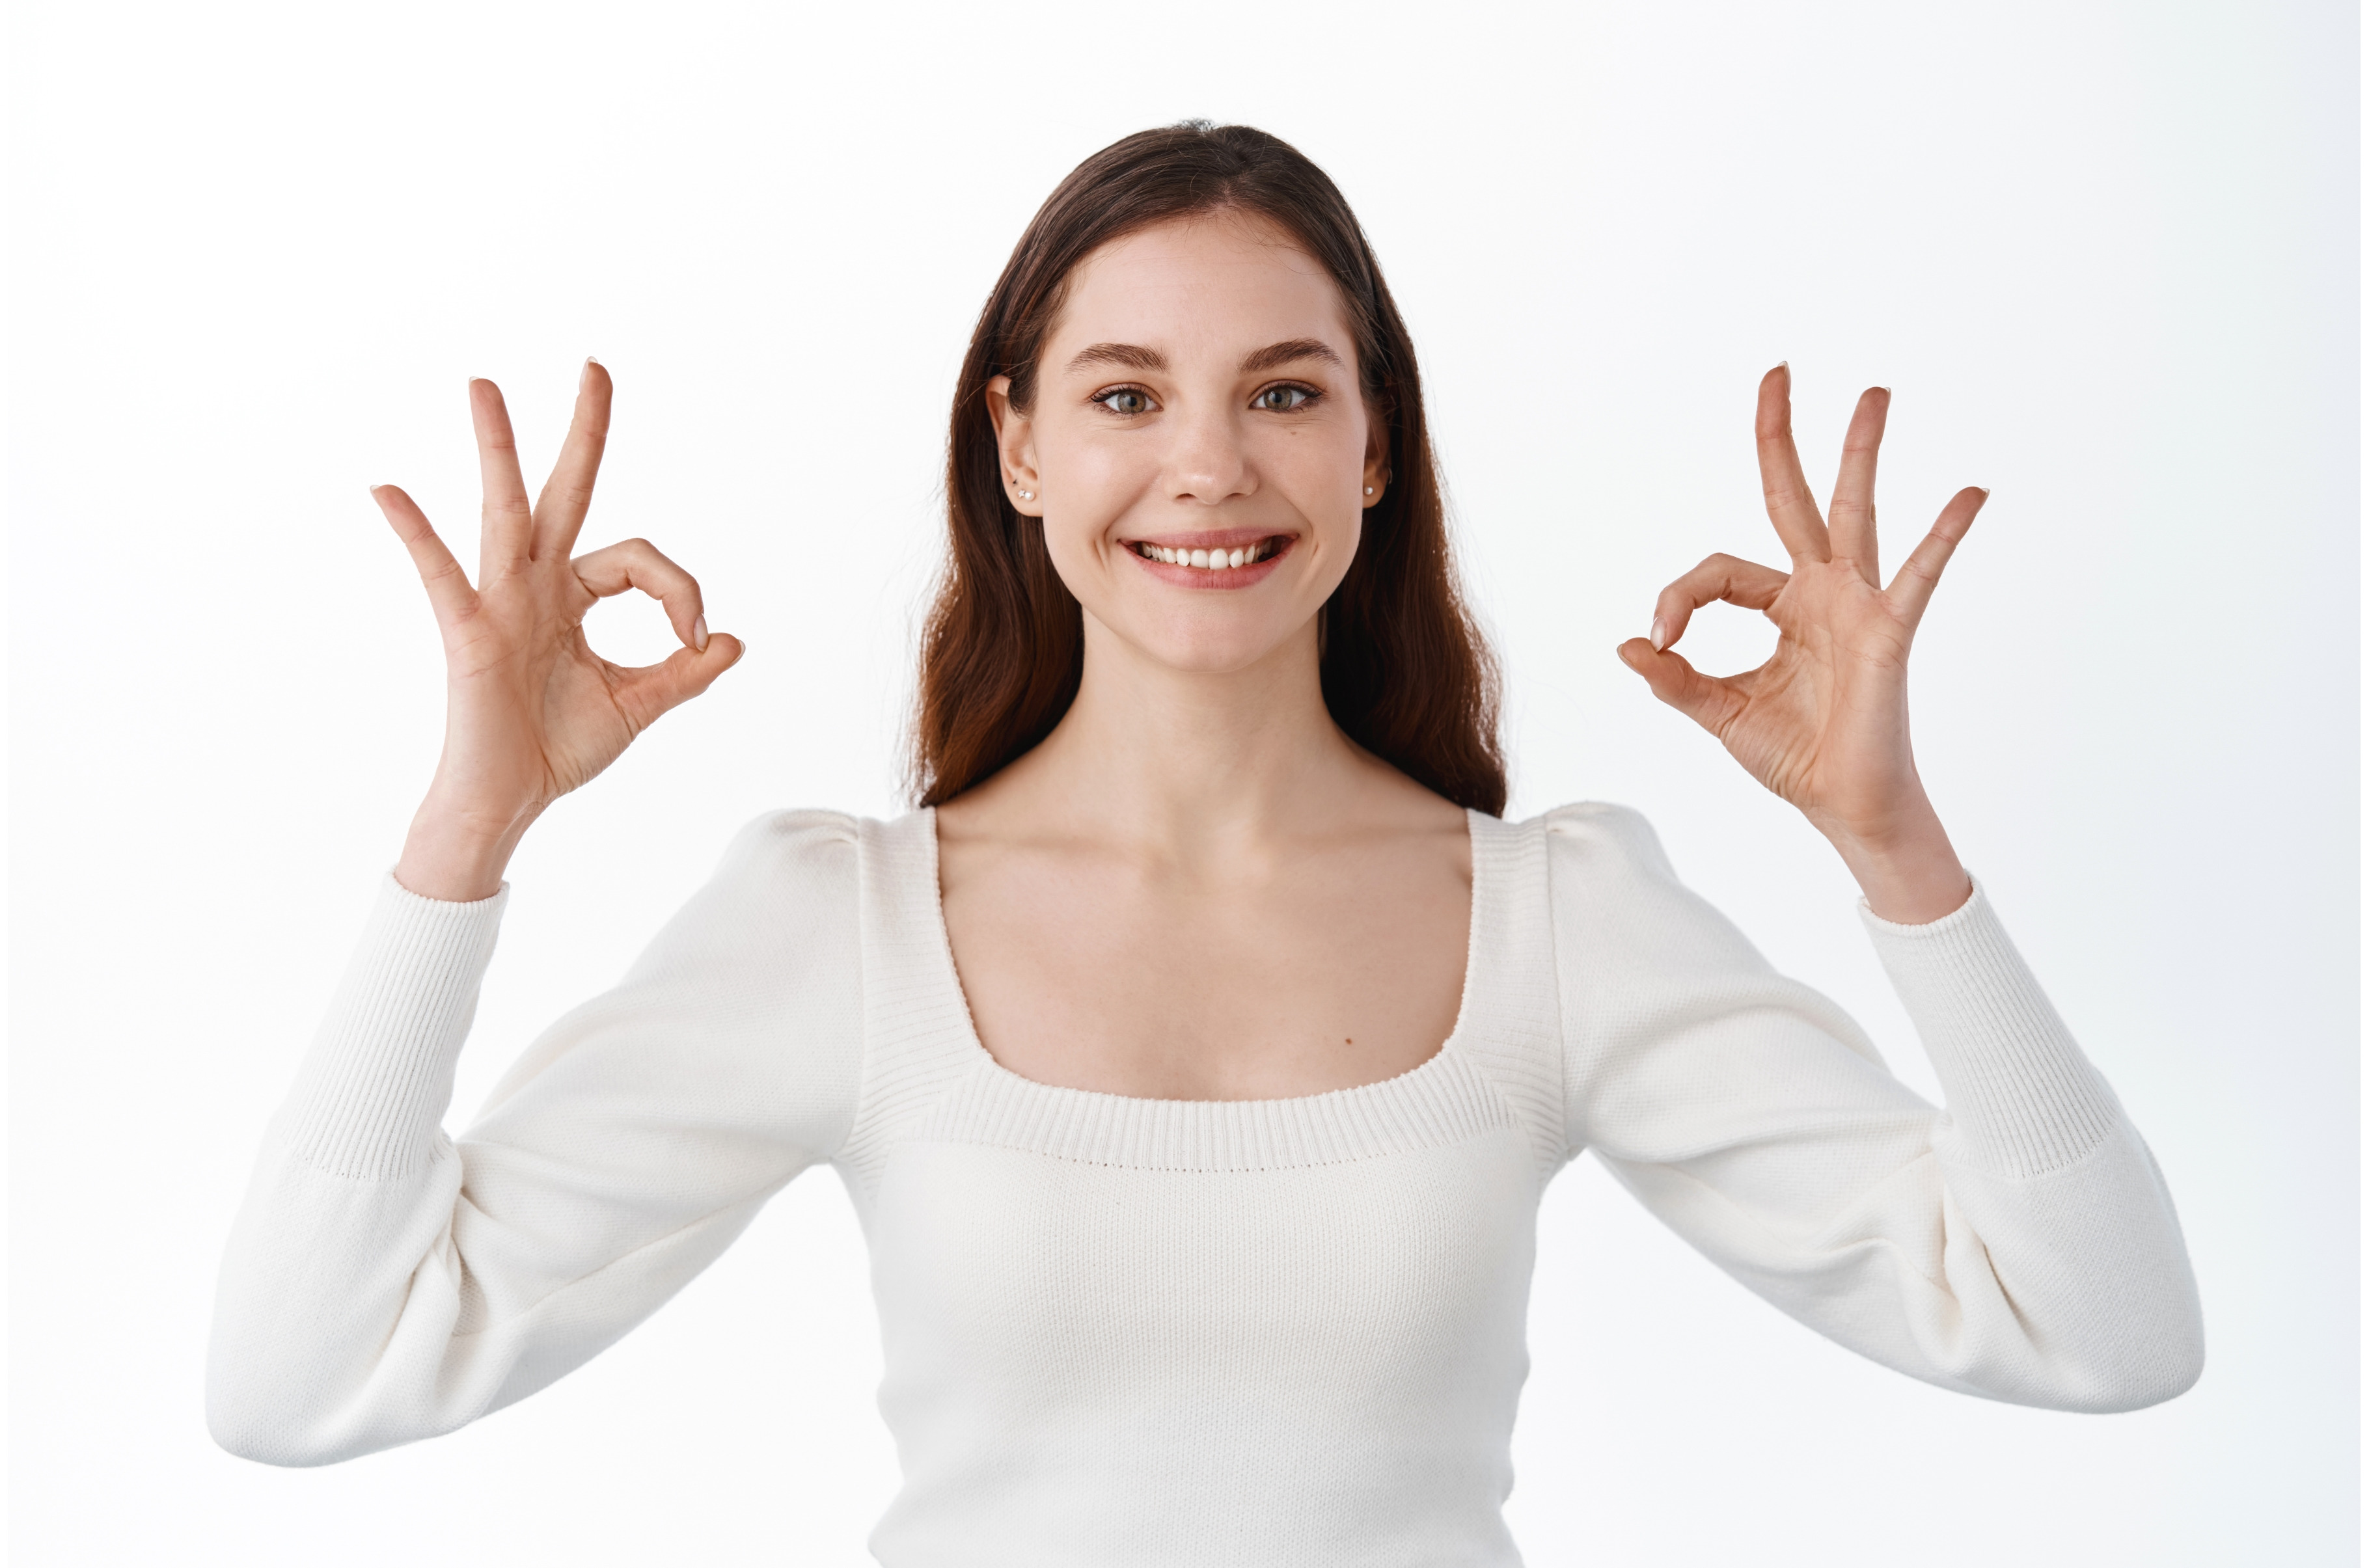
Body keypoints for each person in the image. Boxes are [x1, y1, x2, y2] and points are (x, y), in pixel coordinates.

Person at [207, 122, 2204, 1565]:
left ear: (1372, 448)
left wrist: (1899, 849)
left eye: (1283, 390)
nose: (1209, 465)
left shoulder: (1556, 922)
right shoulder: (845, 928)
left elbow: (2103, 1330)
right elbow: (302, 1376)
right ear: (1018, 448)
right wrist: (465, 834)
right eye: (1126, 392)